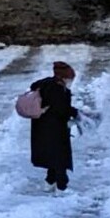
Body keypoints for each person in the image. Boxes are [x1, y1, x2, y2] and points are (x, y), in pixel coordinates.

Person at [29, 60, 80, 191]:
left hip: (42, 127)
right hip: (54, 128)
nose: (71, 81)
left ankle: (49, 181)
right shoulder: (57, 89)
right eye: (70, 78)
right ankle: (62, 187)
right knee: (59, 157)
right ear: (62, 78)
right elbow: (61, 109)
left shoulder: (46, 84)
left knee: (53, 155)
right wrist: (76, 113)